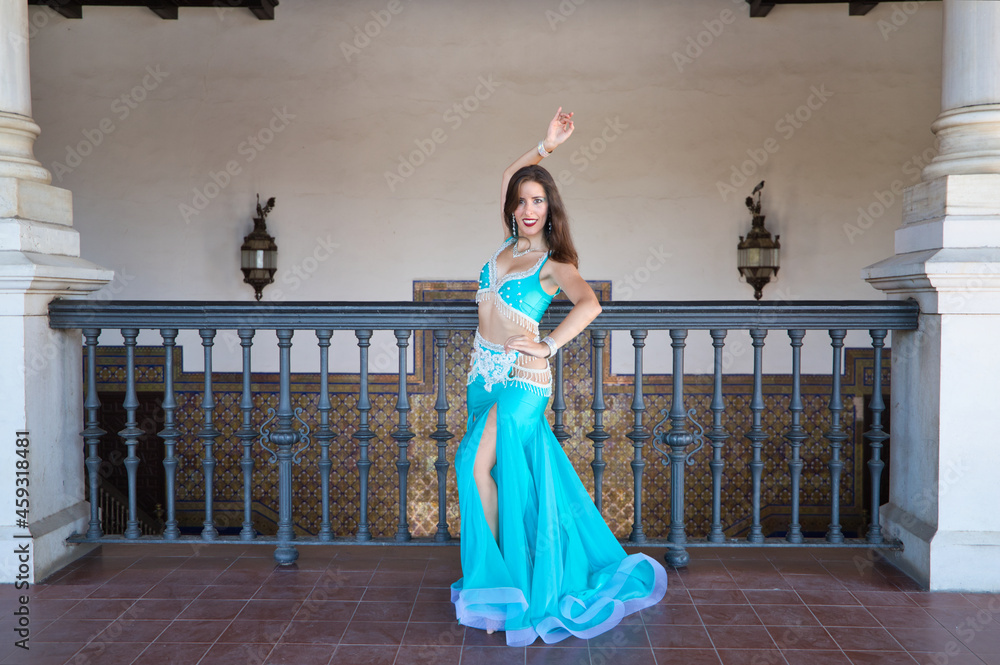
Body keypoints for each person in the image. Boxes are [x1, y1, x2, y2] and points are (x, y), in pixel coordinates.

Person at [450, 108, 668, 646]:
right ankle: (513, 581)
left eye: (538, 201)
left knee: (469, 463)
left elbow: (590, 304)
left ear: (551, 211)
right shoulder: (505, 246)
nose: (527, 208)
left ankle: (498, 586)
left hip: (523, 380)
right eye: (523, 201)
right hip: (484, 375)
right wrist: (546, 148)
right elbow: (506, 177)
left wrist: (547, 345)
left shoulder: (553, 261)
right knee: (506, 479)